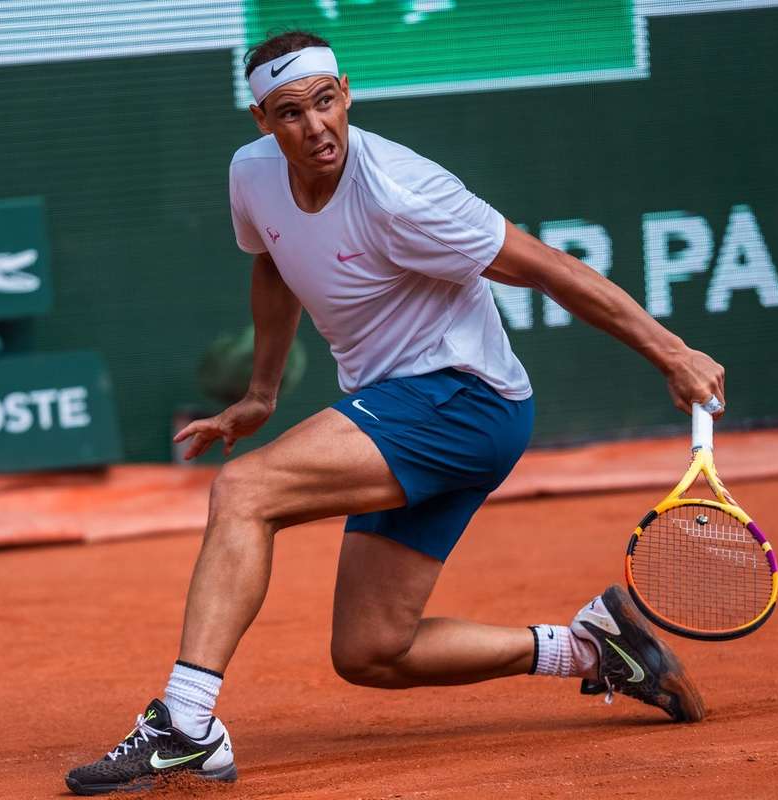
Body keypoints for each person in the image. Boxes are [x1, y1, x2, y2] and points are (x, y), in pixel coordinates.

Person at [65, 30, 724, 795]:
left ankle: (185, 725)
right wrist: (262, 393)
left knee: (245, 492)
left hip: (464, 398)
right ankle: (594, 649)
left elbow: (551, 268)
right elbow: (275, 263)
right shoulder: (252, 176)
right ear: (261, 123)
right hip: (402, 405)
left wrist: (671, 353)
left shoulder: (405, 193)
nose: (314, 128)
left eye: (323, 102)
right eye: (289, 113)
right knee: (372, 650)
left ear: (345, 92)